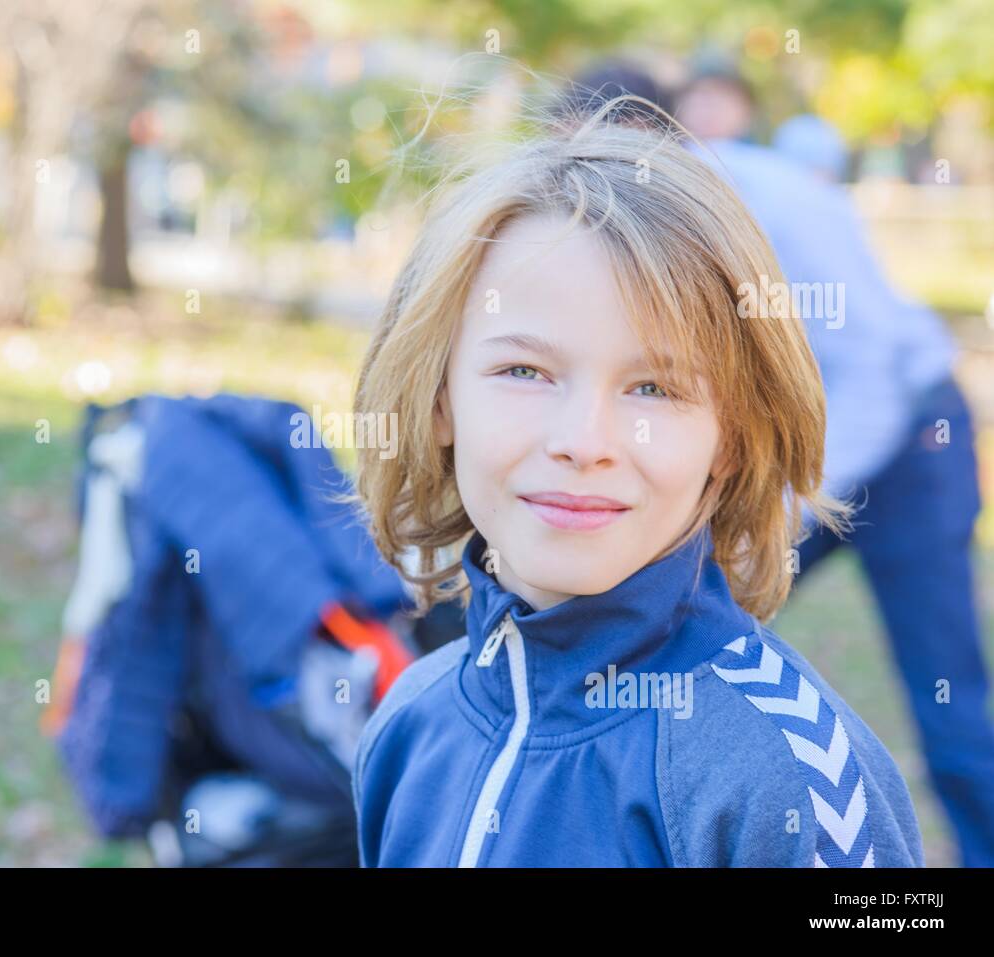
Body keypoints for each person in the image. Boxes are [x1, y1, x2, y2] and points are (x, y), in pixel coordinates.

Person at [347, 100, 923, 866]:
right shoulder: (408, 725)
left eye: (654, 388)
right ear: (440, 399)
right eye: (524, 371)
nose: (584, 443)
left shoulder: (791, 781)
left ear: (730, 439)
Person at [675, 68, 994, 868]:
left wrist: (782, 509)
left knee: (946, 693)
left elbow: (871, 374)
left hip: (910, 443)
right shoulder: (656, 217)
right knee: (682, 632)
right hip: (816, 454)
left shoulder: (766, 201)